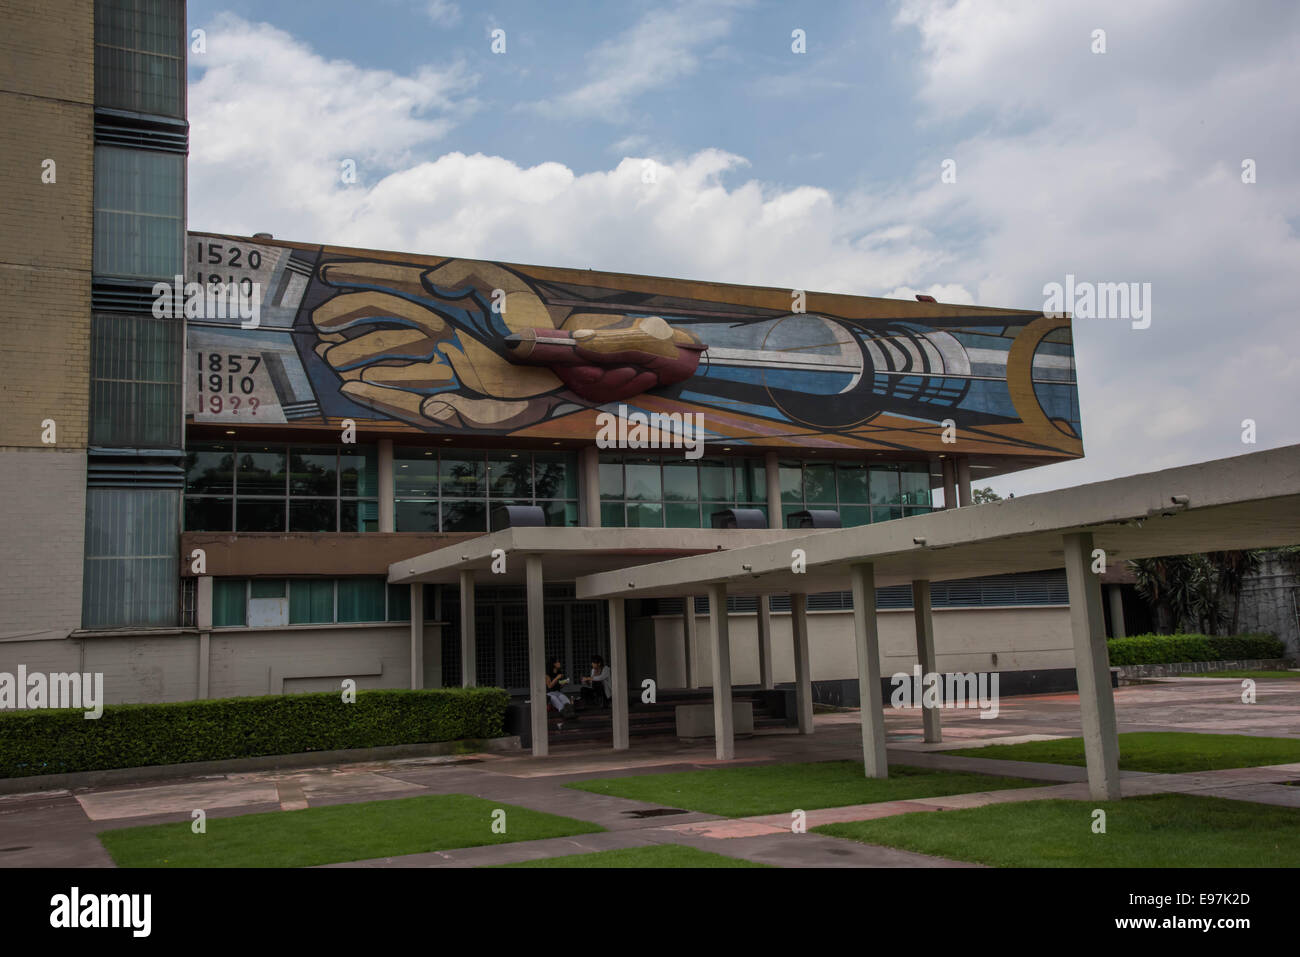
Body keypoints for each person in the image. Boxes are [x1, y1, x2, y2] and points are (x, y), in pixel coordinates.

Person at [545, 659, 571, 728]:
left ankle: (569, 717)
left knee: (567, 702)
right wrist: (556, 678)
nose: (559, 663)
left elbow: (559, 685)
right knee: (560, 705)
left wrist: (564, 682)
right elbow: (549, 686)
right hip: (549, 693)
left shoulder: (559, 673)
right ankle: (566, 720)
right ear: (553, 664)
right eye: (557, 662)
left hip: (558, 692)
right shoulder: (547, 674)